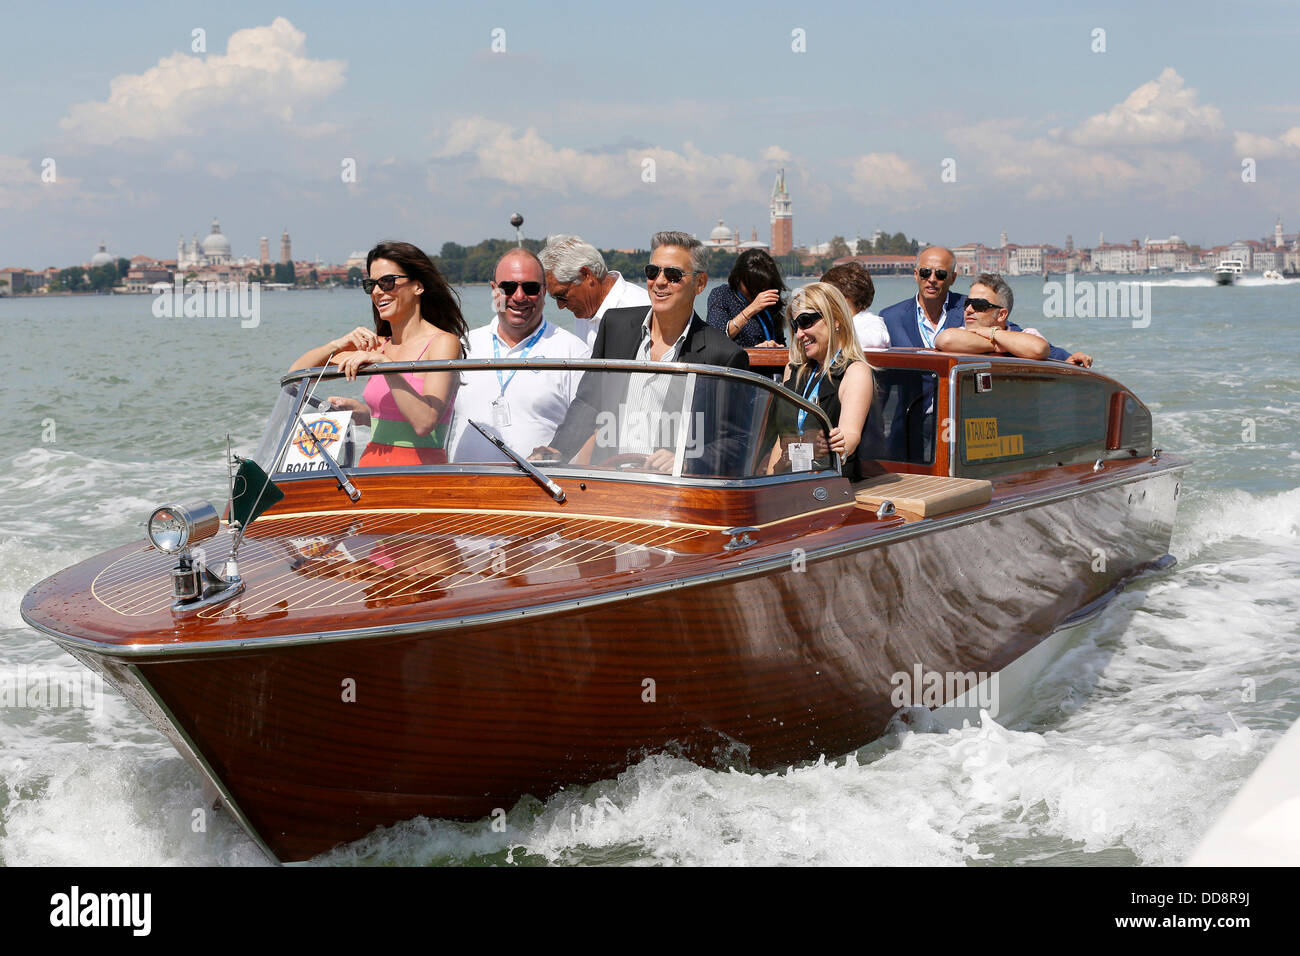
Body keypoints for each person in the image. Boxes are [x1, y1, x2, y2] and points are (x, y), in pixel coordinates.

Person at [536, 230, 749, 471]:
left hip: (672, 491)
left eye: (673, 275)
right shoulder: (614, 326)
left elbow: (737, 442)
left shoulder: (723, 355)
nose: (659, 281)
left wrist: (686, 462)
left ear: (699, 283)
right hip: (609, 482)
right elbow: (589, 401)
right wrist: (557, 450)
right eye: (652, 271)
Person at [290, 240, 466, 466]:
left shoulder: (443, 343)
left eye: (387, 282)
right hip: (371, 473)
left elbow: (424, 422)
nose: (376, 291)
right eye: (371, 285)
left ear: (418, 286)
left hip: (422, 477)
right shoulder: (377, 345)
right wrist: (337, 344)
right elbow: (297, 375)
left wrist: (386, 365)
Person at [447, 249, 590, 462]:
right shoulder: (462, 346)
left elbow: (590, 430)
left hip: (539, 490)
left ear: (543, 291)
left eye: (530, 288)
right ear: (494, 290)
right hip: (464, 486)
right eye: (508, 287)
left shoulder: (574, 353)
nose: (519, 296)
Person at [776, 282, 876, 480]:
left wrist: (839, 444)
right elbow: (780, 444)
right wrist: (769, 480)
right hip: (787, 481)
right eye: (795, 325)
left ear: (836, 320)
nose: (799, 334)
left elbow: (850, 435)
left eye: (805, 322)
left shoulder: (855, 372)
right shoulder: (792, 371)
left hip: (830, 487)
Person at [936, 274, 1094, 367]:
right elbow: (946, 339)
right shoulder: (961, 334)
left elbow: (1040, 349)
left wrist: (992, 333)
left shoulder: (1025, 334)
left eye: (979, 305)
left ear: (1001, 315)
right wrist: (1003, 344)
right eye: (967, 303)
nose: (969, 309)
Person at [539, 235, 650, 348]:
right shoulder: (584, 310)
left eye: (562, 295)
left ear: (586, 275)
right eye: (554, 298)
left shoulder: (643, 310)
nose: (560, 306)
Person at [877, 246, 966, 349]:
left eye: (940, 274)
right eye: (925, 273)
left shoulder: (970, 310)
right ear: (916, 275)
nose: (932, 279)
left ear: (953, 278)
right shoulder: (890, 318)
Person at [706, 248, 786, 348]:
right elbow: (715, 337)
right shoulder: (722, 294)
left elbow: (781, 341)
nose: (757, 292)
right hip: (736, 362)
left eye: (762, 286)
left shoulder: (770, 299)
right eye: (752, 286)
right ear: (738, 278)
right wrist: (752, 309)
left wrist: (775, 347)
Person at [821, 262, 889, 349]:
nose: (822, 301)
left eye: (827, 296)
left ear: (845, 297)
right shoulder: (834, 324)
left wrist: (830, 339)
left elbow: (877, 340)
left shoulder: (870, 321)